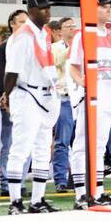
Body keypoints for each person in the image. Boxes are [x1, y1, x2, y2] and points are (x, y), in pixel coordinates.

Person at [1, 0, 62, 214]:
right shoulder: (22, 36)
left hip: (45, 94)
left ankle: (38, 200)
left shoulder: (43, 33)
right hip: (26, 94)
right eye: (43, 8)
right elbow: (12, 72)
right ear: (31, 11)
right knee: (20, 148)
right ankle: (15, 202)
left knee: (42, 150)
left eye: (49, 7)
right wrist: (6, 94)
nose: (48, 11)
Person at [68, 0, 111, 208]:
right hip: (89, 99)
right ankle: (81, 193)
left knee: (100, 147)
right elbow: (72, 66)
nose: (108, 10)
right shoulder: (82, 35)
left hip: (108, 99)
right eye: (104, 6)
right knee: (81, 145)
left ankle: (97, 191)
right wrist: (82, 83)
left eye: (110, 7)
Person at [49, 17, 78, 192]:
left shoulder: (79, 48)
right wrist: (73, 48)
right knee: (62, 141)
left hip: (78, 98)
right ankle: (60, 179)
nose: (73, 29)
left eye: (74, 26)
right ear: (60, 30)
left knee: (80, 141)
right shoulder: (55, 47)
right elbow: (57, 62)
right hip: (64, 98)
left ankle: (77, 176)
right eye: (69, 27)